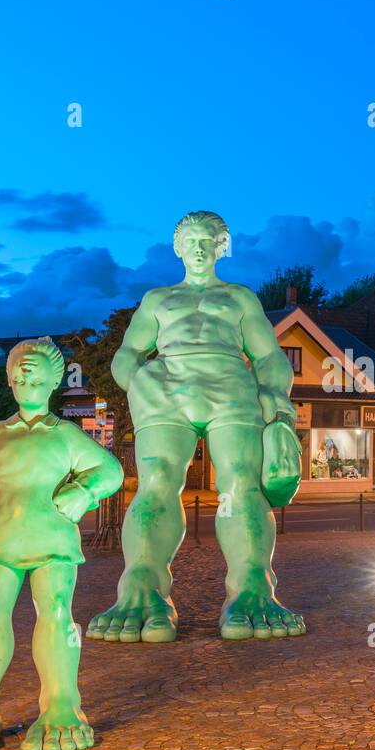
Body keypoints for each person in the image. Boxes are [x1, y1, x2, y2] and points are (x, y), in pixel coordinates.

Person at [87, 211, 306, 643]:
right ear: (177, 247)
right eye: (190, 240)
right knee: (157, 482)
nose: (199, 247)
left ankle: (253, 586)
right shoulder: (158, 299)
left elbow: (268, 357)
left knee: (241, 484)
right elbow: (128, 353)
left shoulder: (240, 298)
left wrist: (276, 399)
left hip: (230, 387)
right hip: (166, 388)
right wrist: (141, 382)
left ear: (223, 246)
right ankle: (141, 587)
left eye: (208, 239)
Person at [0, 338, 123, 750]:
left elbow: (110, 469)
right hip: (0, 540)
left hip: (53, 540)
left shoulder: (66, 435)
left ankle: (61, 705)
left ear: (55, 379)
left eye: (32, 367)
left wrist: (83, 492)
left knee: (55, 615)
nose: (23, 375)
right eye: (17, 369)